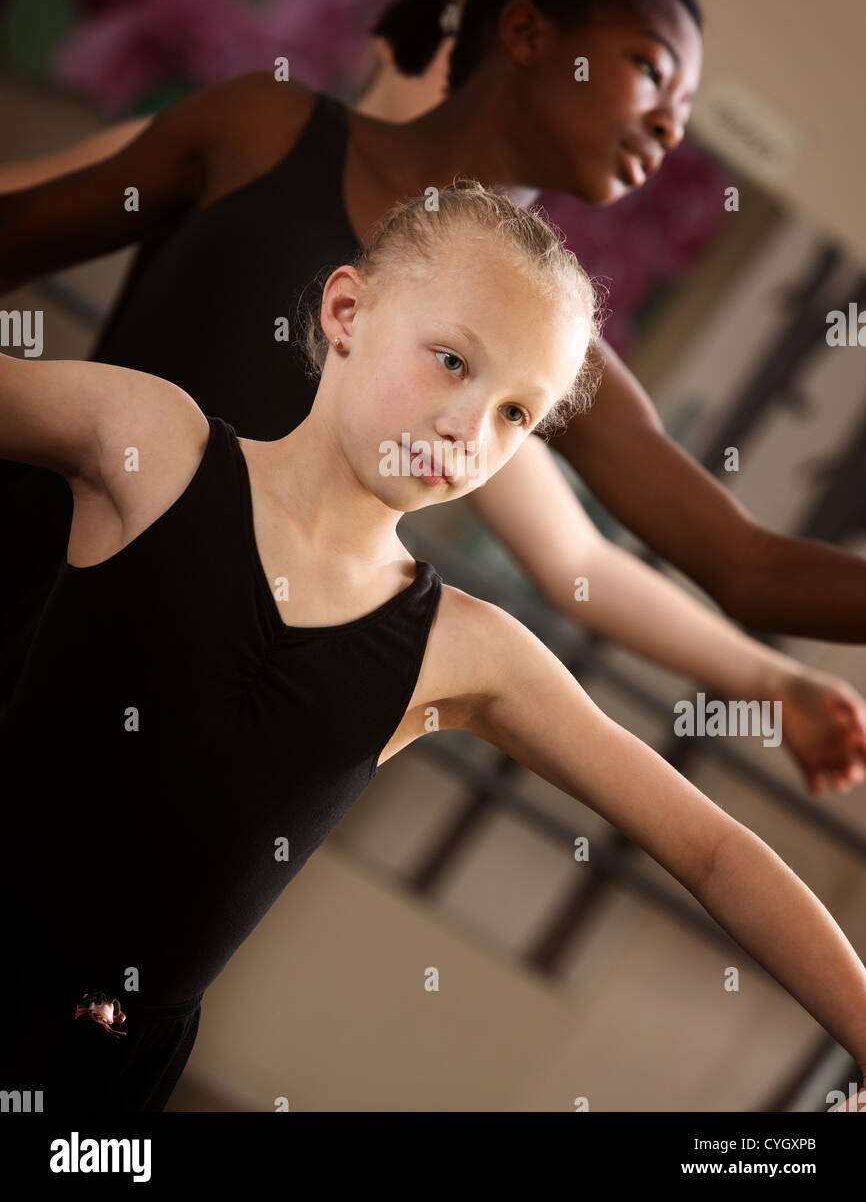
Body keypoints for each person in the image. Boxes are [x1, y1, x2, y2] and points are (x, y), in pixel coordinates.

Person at [1, 180, 864, 1113]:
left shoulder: (465, 653)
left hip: (95, 1075)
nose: (469, 430)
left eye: (516, 415)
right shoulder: (150, 444)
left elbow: (713, 852)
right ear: (347, 310)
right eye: (453, 361)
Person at [1, 0, 864, 799]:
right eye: (650, 68)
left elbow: (745, 567)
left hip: (177, 715)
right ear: (525, 34)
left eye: (684, 105)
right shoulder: (263, 129)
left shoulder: (535, 356)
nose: (674, 125)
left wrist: (774, 682)